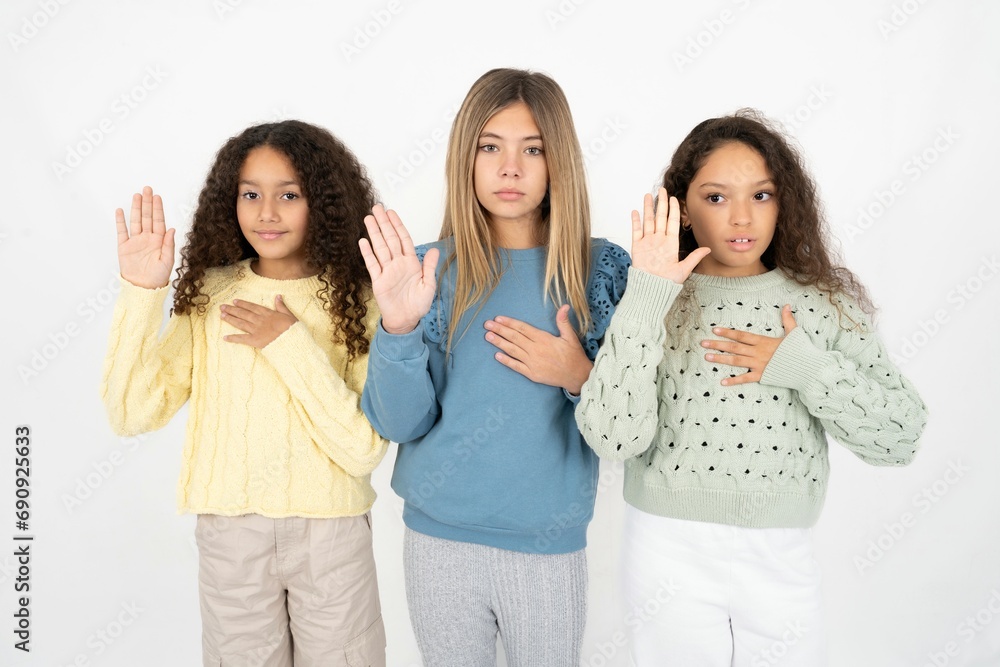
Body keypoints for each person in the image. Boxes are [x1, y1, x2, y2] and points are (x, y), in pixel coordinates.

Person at [575, 110, 928, 665]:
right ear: (682, 208)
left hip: (780, 554)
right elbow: (612, 438)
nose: (741, 216)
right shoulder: (653, 300)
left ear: (785, 200)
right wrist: (646, 294)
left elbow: (900, 436)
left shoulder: (821, 302)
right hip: (667, 549)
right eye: (716, 197)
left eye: (761, 195)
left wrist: (806, 369)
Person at [358, 68, 629, 665]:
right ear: (467, 158)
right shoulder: (427, 269)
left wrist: (579, 375)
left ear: (559, 161)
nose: (511, 168)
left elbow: (627, 427)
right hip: (439, 543)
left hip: (548, 546)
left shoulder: (600, 270)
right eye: (491, 147)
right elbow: (400, 424)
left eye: (533, 149)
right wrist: (398, 328)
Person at [100, 120, 388, 666]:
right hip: (230, 537)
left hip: (330, 535)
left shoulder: (363, 299)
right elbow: (131, 412)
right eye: (251, 194)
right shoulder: (212, 291)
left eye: (289, 195)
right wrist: (142, 293)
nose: (267, 213)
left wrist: (289, 345)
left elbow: (364, 448)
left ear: (324, 202)